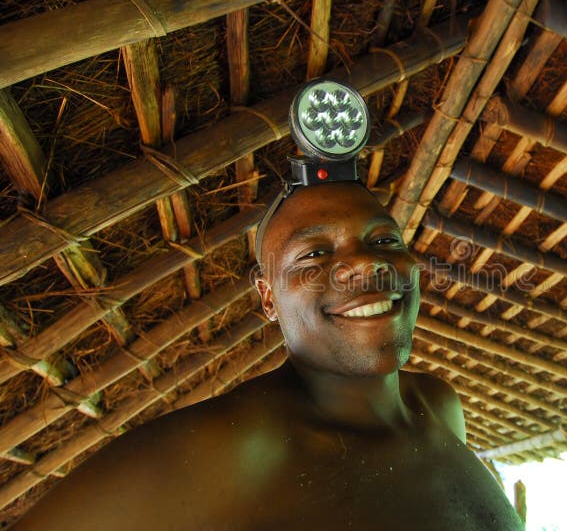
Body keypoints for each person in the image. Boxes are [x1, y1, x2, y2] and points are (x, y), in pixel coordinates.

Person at [14, 179, 524, 529]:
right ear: (267, 298)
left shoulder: (439, 406)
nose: (365, 263)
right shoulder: (233, 448)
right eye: (315, 253)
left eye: (383, 238)